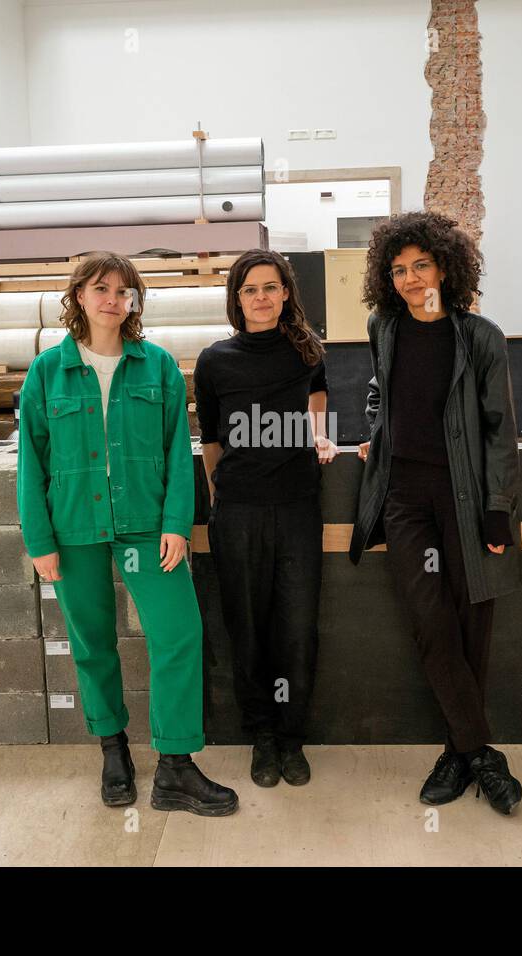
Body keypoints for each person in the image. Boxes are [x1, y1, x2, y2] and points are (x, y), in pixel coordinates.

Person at [17, 251, 238, 817]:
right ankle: (112, 748)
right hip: (74, 530)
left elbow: (176, 451)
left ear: (133, 300)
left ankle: (175, 766)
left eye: (123, 290)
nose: (113, 299)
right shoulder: (47, 371)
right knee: (93, 643)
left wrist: (176, 526)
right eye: (101, 289)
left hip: (146, 529)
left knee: (179, 634)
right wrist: (39, 541)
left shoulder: (158, 366)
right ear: (79, 297)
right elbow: (31, 464)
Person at [349, 211, 522, 816]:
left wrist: (498, 508)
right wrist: (380, 429)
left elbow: (501, 430)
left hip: (466, 496)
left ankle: (458, 751)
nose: (409, 278)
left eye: (420, 265)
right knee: (430, 620)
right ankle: (483, 756)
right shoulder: (384, 327)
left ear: (446, 267)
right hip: (403, 497)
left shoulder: (481, 337)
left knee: (473, 618)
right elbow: (380, 389)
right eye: (397, 269)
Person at [193, 249, 336, 789]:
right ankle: (262, 737)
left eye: (271, 287)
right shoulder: (215, 361)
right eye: (250, 289)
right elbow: (210, 439)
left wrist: (318, 434)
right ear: (237, 298)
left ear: (285, 293)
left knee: (296, 628)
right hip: (240, 511)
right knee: (248, 628)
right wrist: (220, 499)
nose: (261, 297)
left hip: (298, 506)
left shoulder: (306, 350)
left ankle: (292, 736)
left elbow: (320, 400)